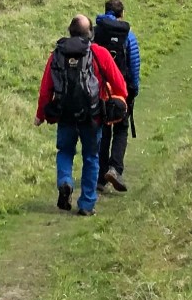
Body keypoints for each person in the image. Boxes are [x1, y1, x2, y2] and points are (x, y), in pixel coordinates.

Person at [36, 12, 128, 216]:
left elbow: (46, 89)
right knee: (91, 157)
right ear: (91, 33)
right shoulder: (99, 53)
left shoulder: (57, 54)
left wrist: (40, 115)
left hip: (64, 114)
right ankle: (86, 204)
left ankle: (65, 182)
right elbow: (120, 83)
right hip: (92, 116)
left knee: (65, 152)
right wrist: (119, 101)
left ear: (70, 32)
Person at [93, 0, 141, 192]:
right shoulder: (128, 34)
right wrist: (133, 89)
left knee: (103, 131)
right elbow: (134, 63)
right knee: (121, 128)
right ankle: (115, 169)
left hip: (100, 90)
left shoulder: (96, 33)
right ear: (122, 14)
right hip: (122, 91)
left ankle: (100, 178)